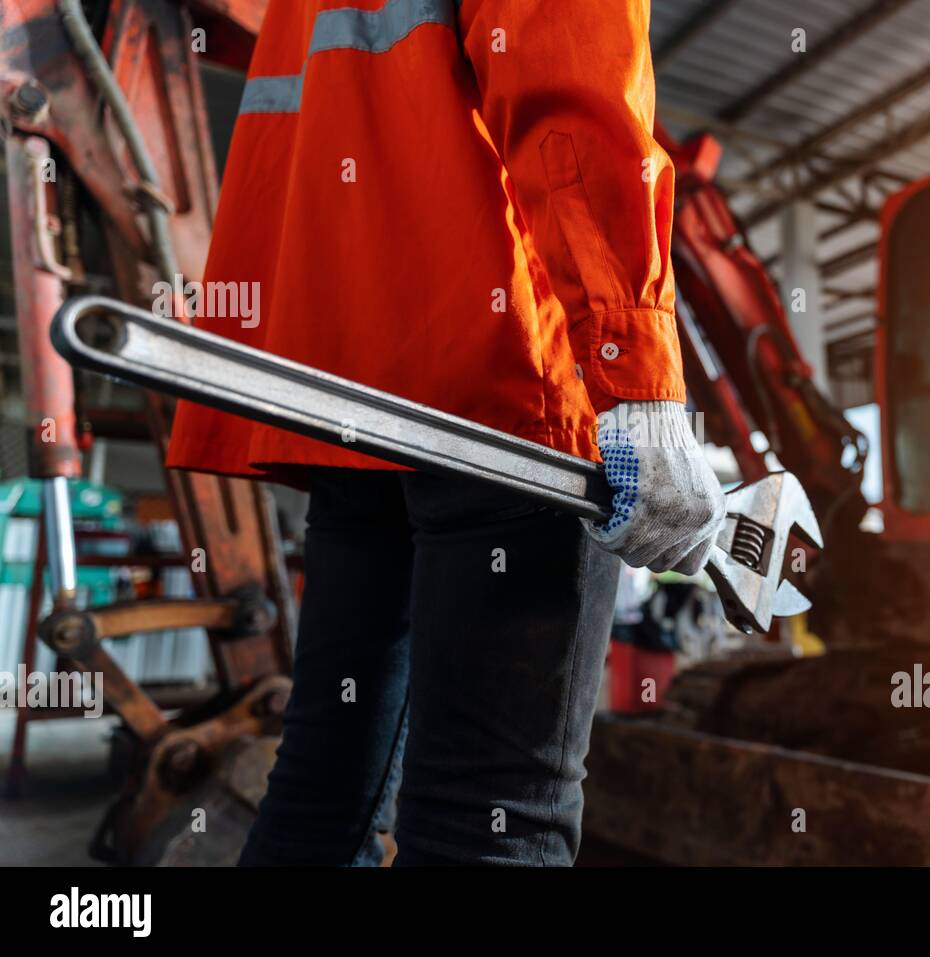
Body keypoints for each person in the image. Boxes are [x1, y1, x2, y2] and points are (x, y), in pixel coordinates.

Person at [166, 0, 725, 866]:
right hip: (506, 404)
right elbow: (574, 75)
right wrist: (636, 373)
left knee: (321, 790)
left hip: (354, 399)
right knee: (493, 815)